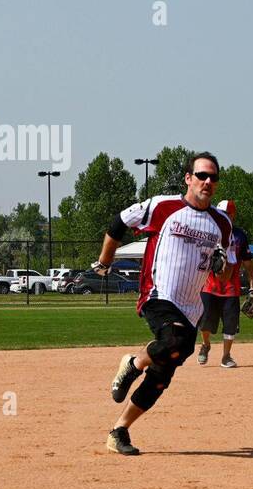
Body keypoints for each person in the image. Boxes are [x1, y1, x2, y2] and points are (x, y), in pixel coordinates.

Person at [97, 152, 233, 455]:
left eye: (213, 177)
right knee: (177, 342)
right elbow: (118, 222)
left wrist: (221, 263)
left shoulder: (222, 222)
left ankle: (119, 430)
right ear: (188, 178)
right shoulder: (162, 206)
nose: (207, 182)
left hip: (191, 307)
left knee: (163, 374)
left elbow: (224, 274)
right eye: (201, 175)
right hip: (158, 294)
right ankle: (134, 364)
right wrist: (104, 262)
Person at [198, 200, 253, 368]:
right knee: (205, 323)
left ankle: (226, 356)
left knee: (230, 325)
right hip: (209, 286)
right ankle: (206, 344)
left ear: (232, 215)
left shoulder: (239, 236)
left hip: (231, 288)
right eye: (219, 213)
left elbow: (248, 262)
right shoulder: (208, 232)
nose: (221, 216)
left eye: (225, 213)